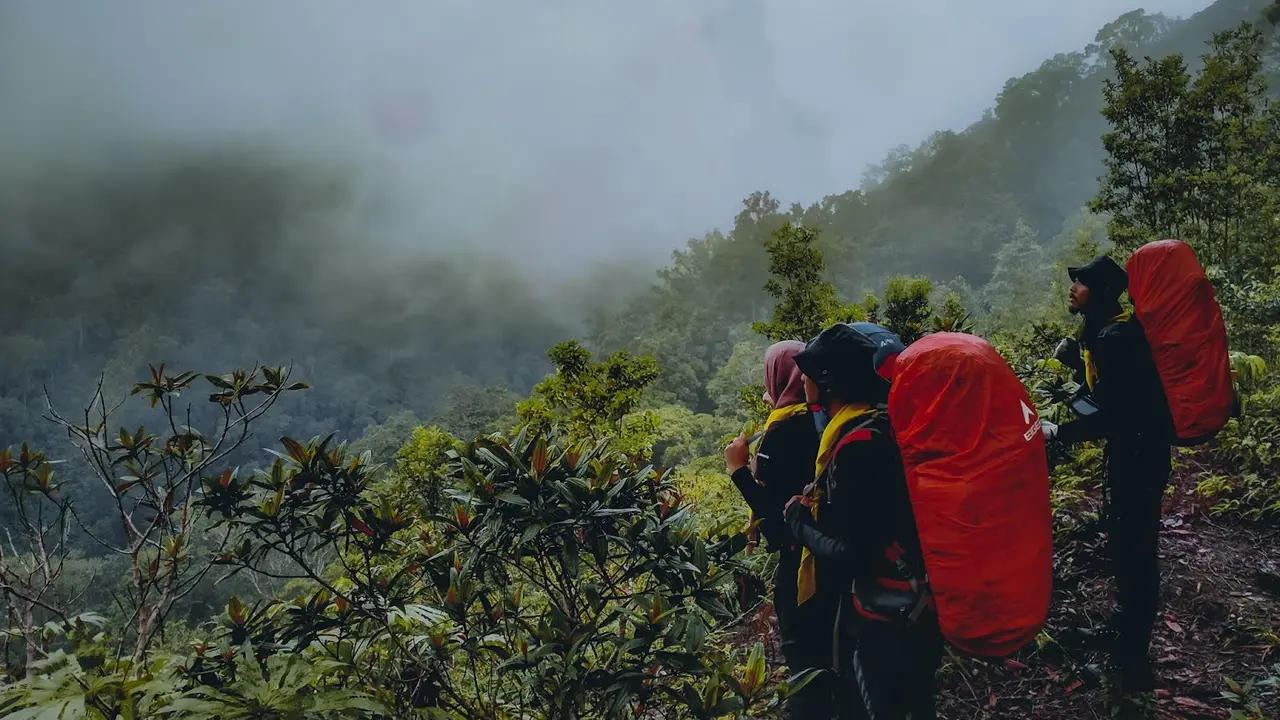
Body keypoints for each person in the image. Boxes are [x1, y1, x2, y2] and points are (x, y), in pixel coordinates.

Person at [784, 323, 942, 719]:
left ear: (826, 382)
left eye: (808, 373)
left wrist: (799, 523)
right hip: (918, 607)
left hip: (885, 622)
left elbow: (854, 554)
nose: (802, 380)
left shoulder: (858, 448)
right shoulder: (882, 422)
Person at [1042, 254, 1175, 694]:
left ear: (1098, 293)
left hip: (1138, 458)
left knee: (1136, 552)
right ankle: (1123, 631)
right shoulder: (1108, 333)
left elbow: (1116, 412)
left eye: (1079, 282)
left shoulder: (1117, 336)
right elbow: (1113, 393)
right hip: (1132, 453)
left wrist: (1061, 429)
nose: (1072, 287)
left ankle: (1134, 663)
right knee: (1124, 545)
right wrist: (1077, 367)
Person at [724, 341, 832, 718]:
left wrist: (738, 470)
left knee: (805, 664)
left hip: (803, 567)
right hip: (840, 560)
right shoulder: (827, 419)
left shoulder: (783, 434)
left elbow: (777, 522)